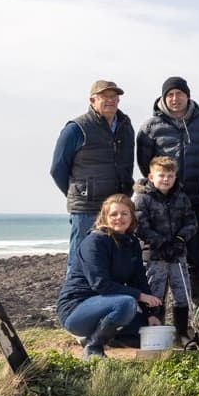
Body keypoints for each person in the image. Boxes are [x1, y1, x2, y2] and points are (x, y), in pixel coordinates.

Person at [135, 76, 199, 304]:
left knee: (197, 259)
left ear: (188, 96)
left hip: (196, 202)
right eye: (170, 94)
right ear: (164, 97)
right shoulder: (149, 127)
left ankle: (198, 318)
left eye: (179, 94)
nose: (175, 98)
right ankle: (155, 317)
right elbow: (145, 165)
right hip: (160, 204)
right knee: (159, 260)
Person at [56, 194, 163, 360]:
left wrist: (150, 314)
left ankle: (98, 336)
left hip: (110, 304)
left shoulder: (132, 243)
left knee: (145, 333)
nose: (119, 218)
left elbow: (139, 280)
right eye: (113, 214)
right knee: (127, 302)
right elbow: (100, 284)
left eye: (124, 213)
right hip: (77, 309)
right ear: (104, 217)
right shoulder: (95, 241)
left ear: (132, 216)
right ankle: (93, 347)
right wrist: (140, 296)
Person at [51, 80, 135, 266]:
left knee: (113, 261)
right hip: (86, 208)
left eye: (114, 96)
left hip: (116, 207)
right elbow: (58, 168)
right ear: (92, 100)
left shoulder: (125, 126)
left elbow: (128, 163)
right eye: (105, 96)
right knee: (80, 260)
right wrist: (79, 192)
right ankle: (74, 296)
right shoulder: (76, 128)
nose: (110, 100)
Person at [132, 156, 197, 342]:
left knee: (182, 293)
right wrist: (161, 242)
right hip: (154, 255)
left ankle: (182, 333)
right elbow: (139, 226)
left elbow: (191, 222)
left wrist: (179, 240)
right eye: (162, 175)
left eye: (170, 175)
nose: (166, 179)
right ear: (151, 177)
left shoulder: (181, 197)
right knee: (154, 293)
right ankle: (154, 332)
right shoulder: (143, 198)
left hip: (178, 254)